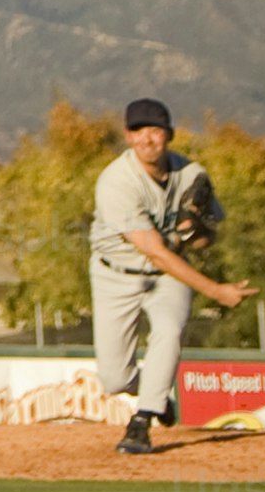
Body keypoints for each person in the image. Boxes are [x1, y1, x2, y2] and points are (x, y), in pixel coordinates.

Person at [92, 97, 251, 455]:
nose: (147, 139)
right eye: (138, 131)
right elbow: (155, 251)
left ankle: (141, 423)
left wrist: (196, 232)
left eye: (155, 130)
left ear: (169, 135)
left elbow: (206, 238)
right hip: (115, 274)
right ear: (127, 137)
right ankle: (156, 394)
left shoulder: (191, 175)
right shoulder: (116, 181)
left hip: (168, 277)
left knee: (169, 330)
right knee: (114, 378)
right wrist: (215, 290)